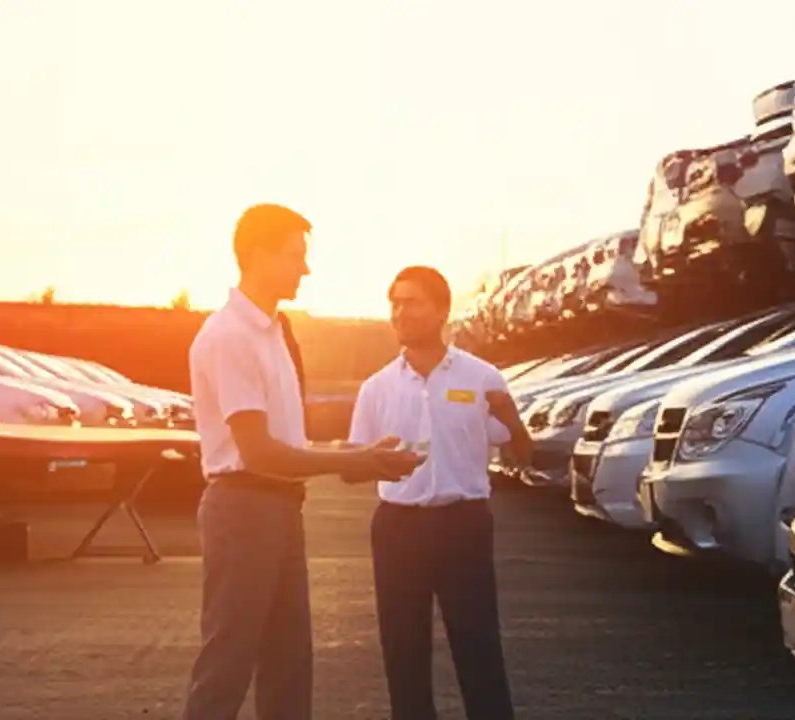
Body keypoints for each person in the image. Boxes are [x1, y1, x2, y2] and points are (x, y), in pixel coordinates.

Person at [182, 204, 420, 720]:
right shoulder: (231, 337)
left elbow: (289, 443)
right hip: (245, 508)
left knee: (289, 664)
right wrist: (351, 462)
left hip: (278, 507)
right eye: (295, 256)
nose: (305, 269)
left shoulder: (273, 335)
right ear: (257, 254)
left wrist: (365, 456)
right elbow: (259, 452)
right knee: (228, 663)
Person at [349, 266, 533, 720]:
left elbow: (519, 450)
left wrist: (512, 419)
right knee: (403, 649)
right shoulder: (376, 388)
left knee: (478, 645)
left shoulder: (483, 378)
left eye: (412, 302)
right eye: (394, 302)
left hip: (463, 525)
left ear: (441, 310)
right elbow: (352, 468)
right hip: (398, 528)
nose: (400, 312)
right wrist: (374, 460)